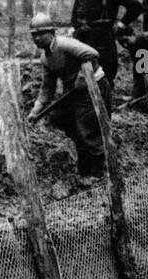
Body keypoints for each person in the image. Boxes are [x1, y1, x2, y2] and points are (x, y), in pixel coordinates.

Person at [27, 13, 107, 181]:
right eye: (34, 35)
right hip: (73, 92)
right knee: (62, 120)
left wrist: (82, 77)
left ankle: (98, 174)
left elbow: (93, 54)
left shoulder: (65, 44)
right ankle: (83, 169)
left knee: (88, 129)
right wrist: (37, 108)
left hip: (93, 86)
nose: (38, 38)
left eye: (42, 34)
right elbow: (47, 87)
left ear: (52, 32)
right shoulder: (45, 58)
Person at [71, 0, 142, 91]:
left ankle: (105, 102)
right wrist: (74, 28)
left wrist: (121, 24)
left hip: (102, 37)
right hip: (81, 36)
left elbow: (136, 7)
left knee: (106, 72)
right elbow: (75, 10)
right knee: (78, 70)